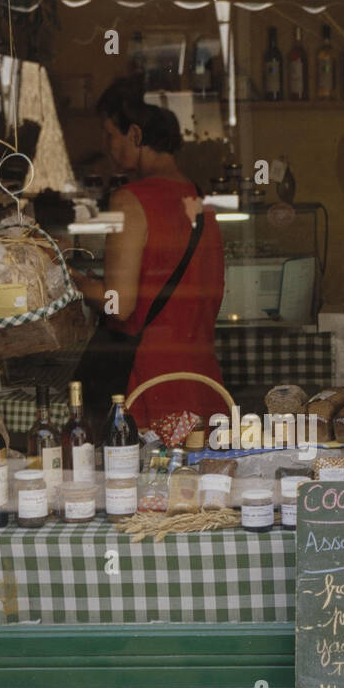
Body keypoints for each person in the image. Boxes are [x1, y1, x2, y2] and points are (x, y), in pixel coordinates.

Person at [69, 79, 225, 432]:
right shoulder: (201, 201)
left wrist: (72, 279)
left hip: (148, 387)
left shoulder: (130, 199)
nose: (107, 146)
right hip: (202, 384)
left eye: (110, 135)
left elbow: (118, 305)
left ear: (136, 135)